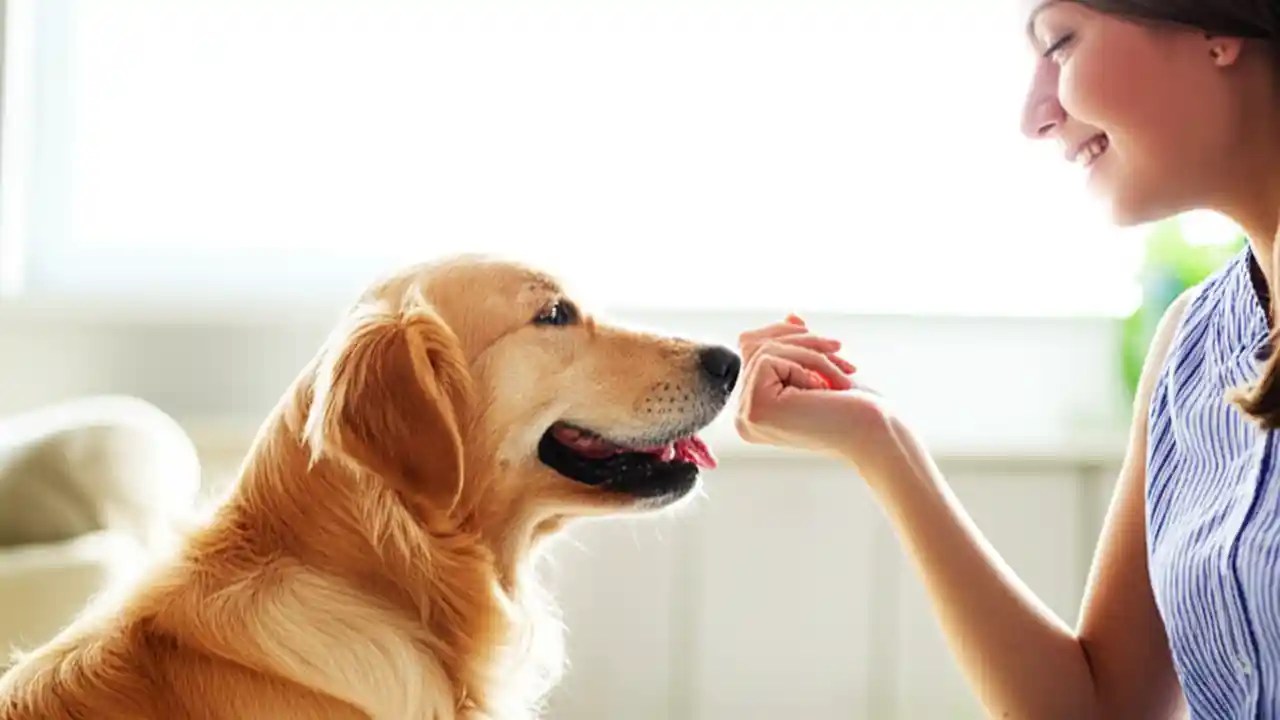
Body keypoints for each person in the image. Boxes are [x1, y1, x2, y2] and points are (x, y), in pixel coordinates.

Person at [733, 1, 1280, 718]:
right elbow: (1100, 709)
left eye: (1061, 43)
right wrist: (881, 442)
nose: (1035, 115)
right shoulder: (1192, 346)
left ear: (1214, 29)